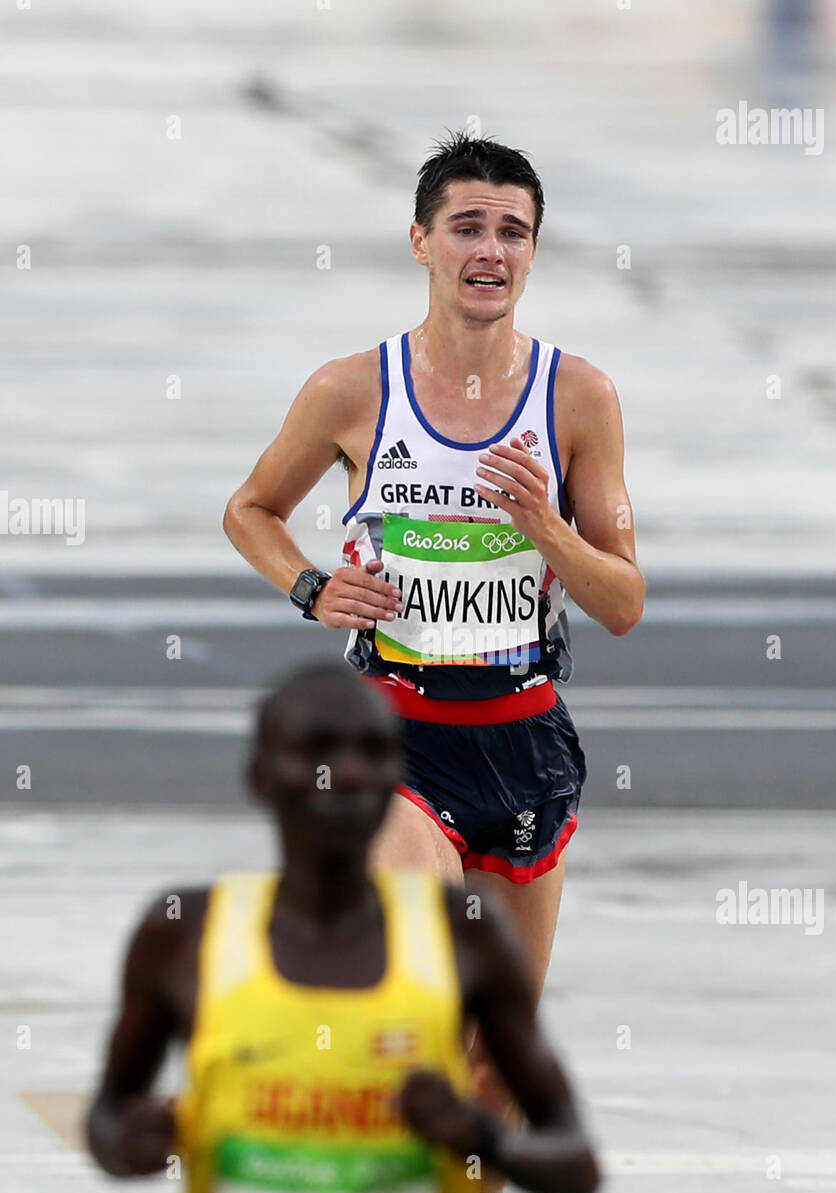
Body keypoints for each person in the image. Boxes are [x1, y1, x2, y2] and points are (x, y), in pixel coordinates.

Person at [222, 131, 644, 1142]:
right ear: (421, 241)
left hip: (524, 737)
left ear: (532, 252)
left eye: (512, 231)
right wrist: (310, 587)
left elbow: (624, 600)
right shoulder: (352, 389)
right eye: (467, 227)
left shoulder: (578, 397)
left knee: (497, 1066)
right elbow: (250, 510)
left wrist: (547, 529)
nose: (489, 250)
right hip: (391, 736)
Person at [86, 664, 599, 1193]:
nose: (347, 774)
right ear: (260, 776)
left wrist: (481, 1137)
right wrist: (130, 1142)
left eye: (373, 754)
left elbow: (576, 1169)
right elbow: (108, 1118)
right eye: (318, 753)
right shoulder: (184, 934)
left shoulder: (473, 941)